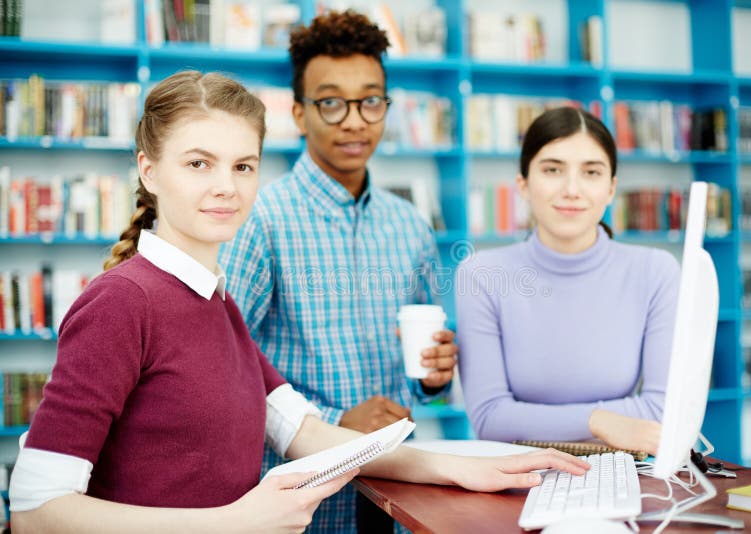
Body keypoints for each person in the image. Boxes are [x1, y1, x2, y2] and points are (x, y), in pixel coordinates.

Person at [8, 71, 590, 533]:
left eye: (243, 166)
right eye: (198, 163)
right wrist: (234, 523)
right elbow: (34, 510)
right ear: (149, 170)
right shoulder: (122, 302)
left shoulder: (217, 303)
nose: (226, 186)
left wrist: (461, 468)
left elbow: (305, 433)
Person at [218, 10, 458, 532]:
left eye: (370, 101)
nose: (354, 121)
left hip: (394, 494)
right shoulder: (261, 220)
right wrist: (334, 423)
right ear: (300, 114)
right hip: (304, 500)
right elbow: (224, 366)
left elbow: (423, 374)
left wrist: (435, 376)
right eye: (331, 102)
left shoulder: (410, 225)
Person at [456, 106, 681, 456]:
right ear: (523, 185)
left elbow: (661, 411)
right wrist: (598, 421)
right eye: (552, 170)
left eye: (591, 172)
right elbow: (490, 418)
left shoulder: (656, 271)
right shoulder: (481, 275)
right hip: (518, 474)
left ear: (611, 189)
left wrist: (532, 420)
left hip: (625, 471)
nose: (572, 189)